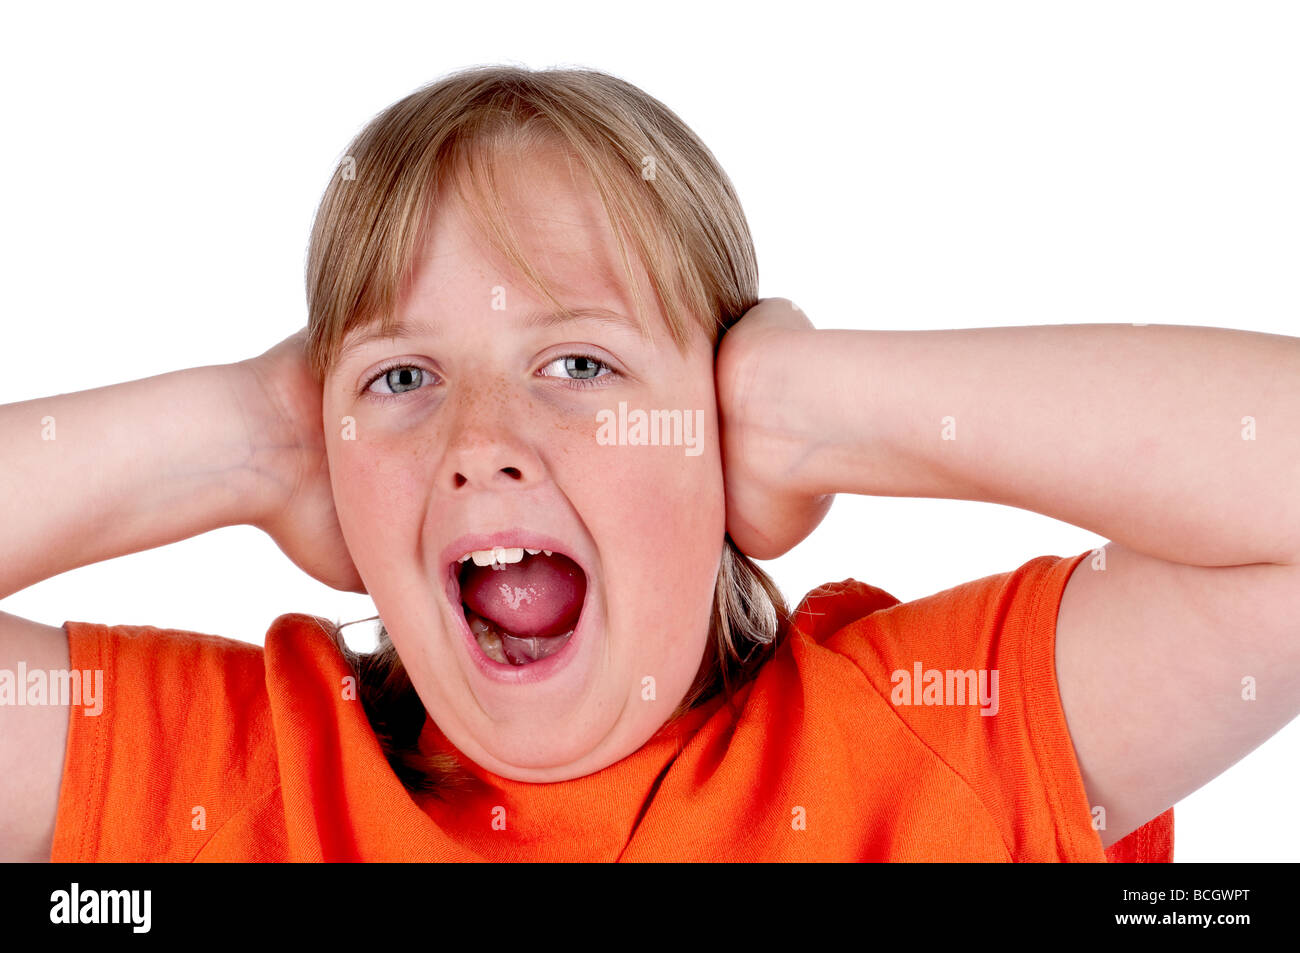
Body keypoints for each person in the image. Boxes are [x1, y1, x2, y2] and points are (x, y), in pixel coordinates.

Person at [3, 64, 1294, 862]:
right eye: (402, 378)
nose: (483, 445)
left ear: (721, 440)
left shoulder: (925, 743)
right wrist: (251, 436)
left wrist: (813, 407)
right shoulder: (232, 775)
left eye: (579, 365)